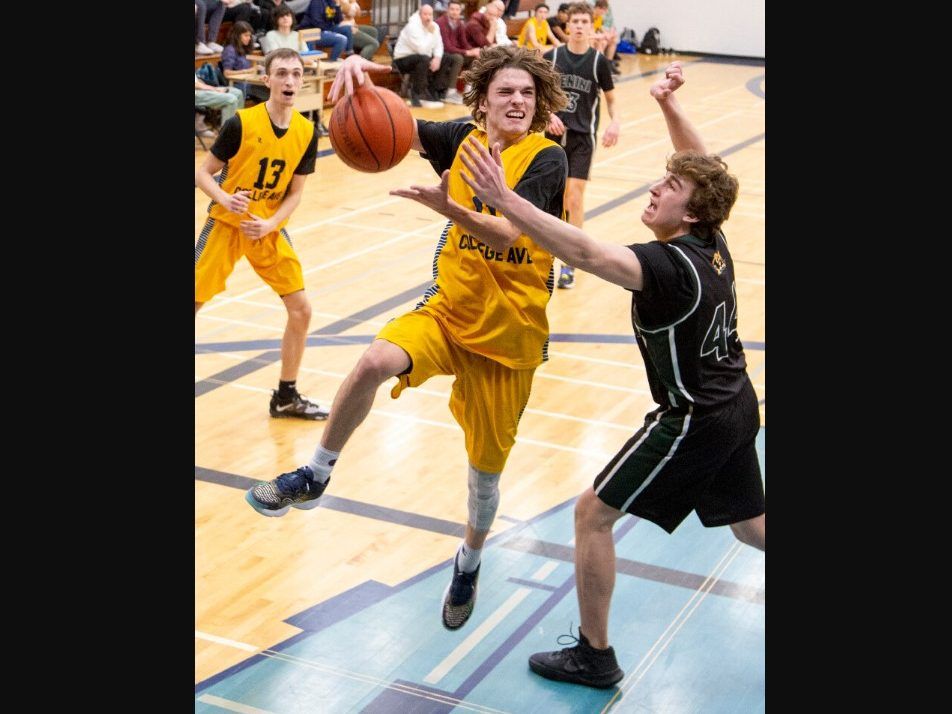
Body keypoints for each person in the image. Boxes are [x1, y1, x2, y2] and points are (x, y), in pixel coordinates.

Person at [458, 60, 765, 689]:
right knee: (751, 524)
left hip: (694, 419)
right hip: (737, 401)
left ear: (691, 209)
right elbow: (703, 167)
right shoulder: (710, 235)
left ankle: (595, 655)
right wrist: (668, 106)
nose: (655, 187)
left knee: (591, 514)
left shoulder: (668, 266)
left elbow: (583, 250)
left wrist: (504, 199)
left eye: (668, 187)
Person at [246, 45, 569, 634]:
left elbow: (503, 235)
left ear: (538, 101)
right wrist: (356, 80)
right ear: (484, 102)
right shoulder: (461, 138)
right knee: (373, 360)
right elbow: (393, 127)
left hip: (510, 337)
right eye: (505, 92)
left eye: (526, 93)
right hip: (449, 311)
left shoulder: (547, 159)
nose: (517, 101)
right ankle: (316, 474)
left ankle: (469, 560)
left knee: (484, 478)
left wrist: (453, 210)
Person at [195, 48, 330, 421]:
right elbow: (202, 173)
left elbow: (296, 193)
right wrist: (225, 197)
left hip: (268, 228)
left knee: (301, 310)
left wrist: (272, 224)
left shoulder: (305, 132)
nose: (289, 81)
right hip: (226, 224)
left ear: (303, 80)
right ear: (266, 79)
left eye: (296, 74)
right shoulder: (241, 123)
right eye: (282, 73)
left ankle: (286, 397)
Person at [544, 2, 619, 290]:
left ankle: (570, 263)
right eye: (574, 21)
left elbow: (612, 99)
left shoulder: (599, 62)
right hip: (552, 138)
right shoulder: (552, 58)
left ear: (591, 27)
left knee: (573, 197)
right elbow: (539, 96)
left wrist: (615, 123)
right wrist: (548, 114)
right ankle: (546, 252)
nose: (578, 26)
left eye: (584, 22)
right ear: (567, 26)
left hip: (582, 138)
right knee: (554, 198)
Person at [393, 4, 462, 108]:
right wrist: (430, 33)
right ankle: (418, 94)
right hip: (402, 59)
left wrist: (437, 58)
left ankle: (433, 89)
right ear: (420, 15)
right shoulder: (412, 26)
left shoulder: (434, 26)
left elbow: (439, 45)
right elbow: (421, 49)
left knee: (447, 58)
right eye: (425, 14)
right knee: (424, 59)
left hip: (422, 57)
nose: (428, 17)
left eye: (430, 14)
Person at [436, 0, 480, 97]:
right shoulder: (440, 23)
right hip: (442, 53)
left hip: (455, 52)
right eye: (452, 9)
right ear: (447, 10)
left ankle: (469, 88)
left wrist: (473, 51)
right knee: (458, 58)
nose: (454, 12)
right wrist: (466, 52)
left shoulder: (459, 23)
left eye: (457, 9)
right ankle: (450, 91)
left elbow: (464, 43)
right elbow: (447, 47)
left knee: (476, 58)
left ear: (460, 11)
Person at [220, 20, 270, 102]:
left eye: (250, 36)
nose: (249, 38)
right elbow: (227, 73)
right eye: (246, 35)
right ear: (237, 35)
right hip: (239, 85)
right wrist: (249, 70)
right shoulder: (230, 50)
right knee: (271, 94)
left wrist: (257, 68)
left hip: (248, 82)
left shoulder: (243, 48)